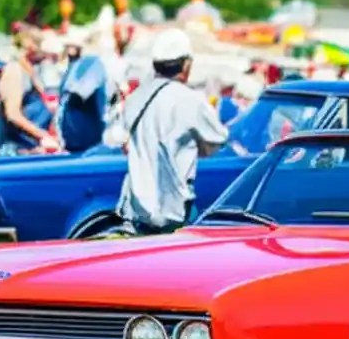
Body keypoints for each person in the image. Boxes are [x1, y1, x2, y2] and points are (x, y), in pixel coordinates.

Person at [117, 29, 228, 235]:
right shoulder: (189, 100)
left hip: (137, 211)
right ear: (185, 66)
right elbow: (218, 139)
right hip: (175, 213)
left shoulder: (136, 98)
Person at [0, 33, 57, 157]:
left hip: (30, 148)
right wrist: (44, 135)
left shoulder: (32, 72)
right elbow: (13, 114)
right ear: (30, 48)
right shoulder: (14, 71)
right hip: (14, 150)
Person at [55, 36, 110, 154]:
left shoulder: (92, 63)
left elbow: (81, 92)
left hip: (86, 140)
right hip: (71, 141)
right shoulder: (71, 67)